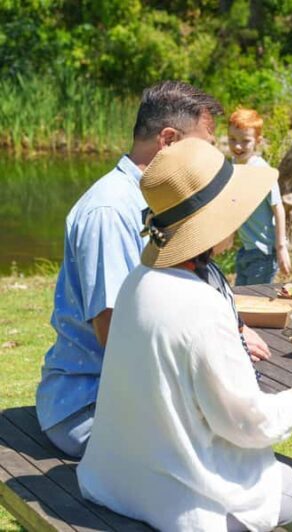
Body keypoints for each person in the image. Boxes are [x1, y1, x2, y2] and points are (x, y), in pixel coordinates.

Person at [77, 137, 292, 532]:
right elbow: (247, 424)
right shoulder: (200, 306)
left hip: (121, 475)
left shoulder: (138, 280)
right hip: (185, 497)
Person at [34, 81, 247, 458]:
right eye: (203, 146)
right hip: (91, 406)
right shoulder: (111, 210)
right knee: (231, 444)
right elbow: (115, 333)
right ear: (167, 140)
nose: (210, 160)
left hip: (128, 395)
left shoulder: (154, 203)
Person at [228, 108, 292, 285]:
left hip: (264, 250)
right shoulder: (233, 165)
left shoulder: (262, 171)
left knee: (254, 300)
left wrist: (281, 248)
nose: (238, 146)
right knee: (240, 297)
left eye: (245, 141)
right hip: (246, 248)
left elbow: (278, 208)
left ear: (258, 141)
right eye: (232, 139)